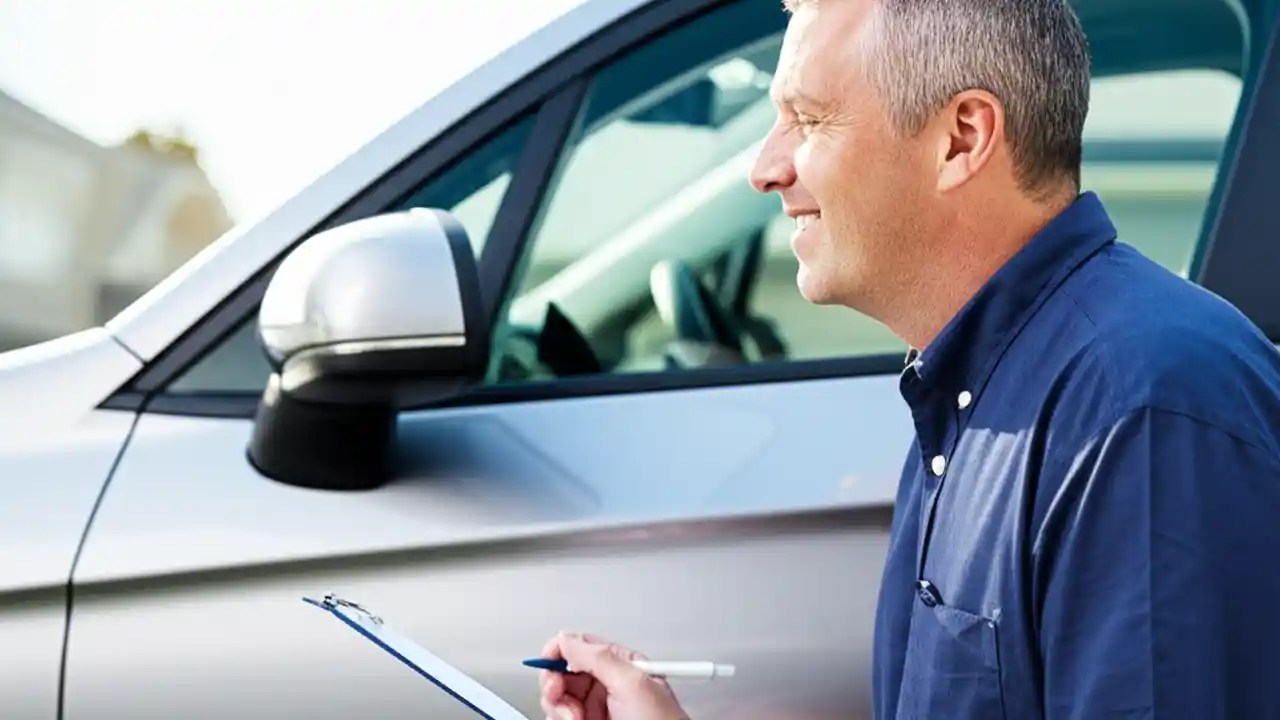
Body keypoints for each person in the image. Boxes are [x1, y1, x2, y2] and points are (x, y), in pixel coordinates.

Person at [538, 0, 1280, 717]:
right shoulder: (977, 388)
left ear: (962, 137)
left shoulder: (1140, 409)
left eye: (808, 118)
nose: (765, 167)